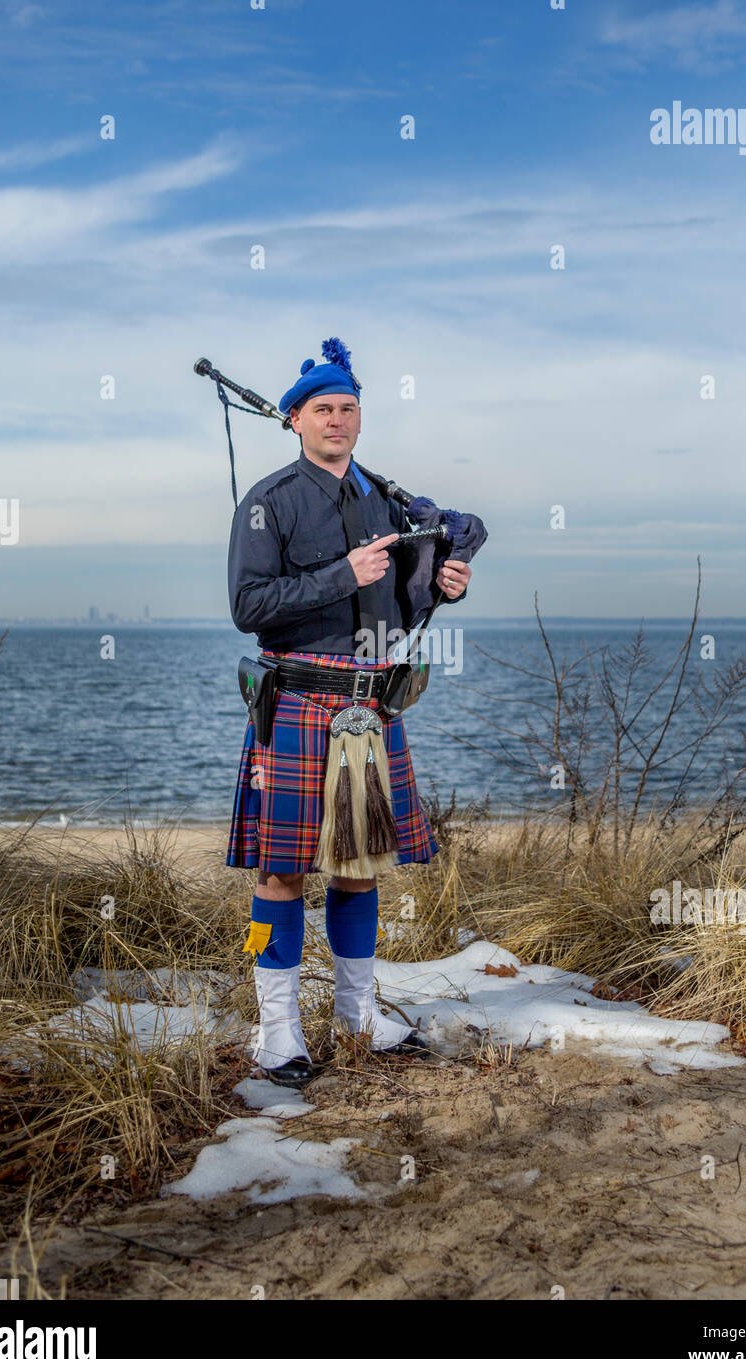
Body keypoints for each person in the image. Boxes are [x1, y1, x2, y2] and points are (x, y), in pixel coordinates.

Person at [226, 337, 473, 1087]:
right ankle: (277, 1034)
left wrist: (441, 586)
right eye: (322, 409)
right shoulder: (269, 502)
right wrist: (340, 573)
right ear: (295, 420)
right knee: (280, 873)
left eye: (348, 408)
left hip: (371, 699)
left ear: (359, 417)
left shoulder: (387, 503)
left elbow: (396, 603)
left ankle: (358, 1015)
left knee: (360, 869)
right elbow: (247, 606)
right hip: (297, 701)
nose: (337, 420)